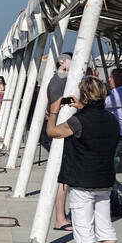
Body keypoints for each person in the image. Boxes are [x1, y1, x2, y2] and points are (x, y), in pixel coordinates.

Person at [46, 75, 121, 243]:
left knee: (85, 230)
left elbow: (53, 132)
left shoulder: (78, 121)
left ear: (85, 95)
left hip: (82, 182)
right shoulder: (112, 120)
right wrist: (83, 107)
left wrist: (53, 111)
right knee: (106, 228)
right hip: (104, 181)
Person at [43, 53, 74, 230]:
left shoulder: (55, 79)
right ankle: (60, 217)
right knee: (63, 176)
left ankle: (61, 216)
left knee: (63, 176)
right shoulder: (61, 80)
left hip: (58, 128)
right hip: (62, 130)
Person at [104, 68, 122, 218]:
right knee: (110, 170)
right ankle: (113, 204)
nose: (109, 80)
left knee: (109, 172)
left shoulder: (118, 94)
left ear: (118, 78)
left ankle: (114, 204)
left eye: (111, 77)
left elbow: (100, 103)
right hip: (118, 134)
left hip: (114, 135)